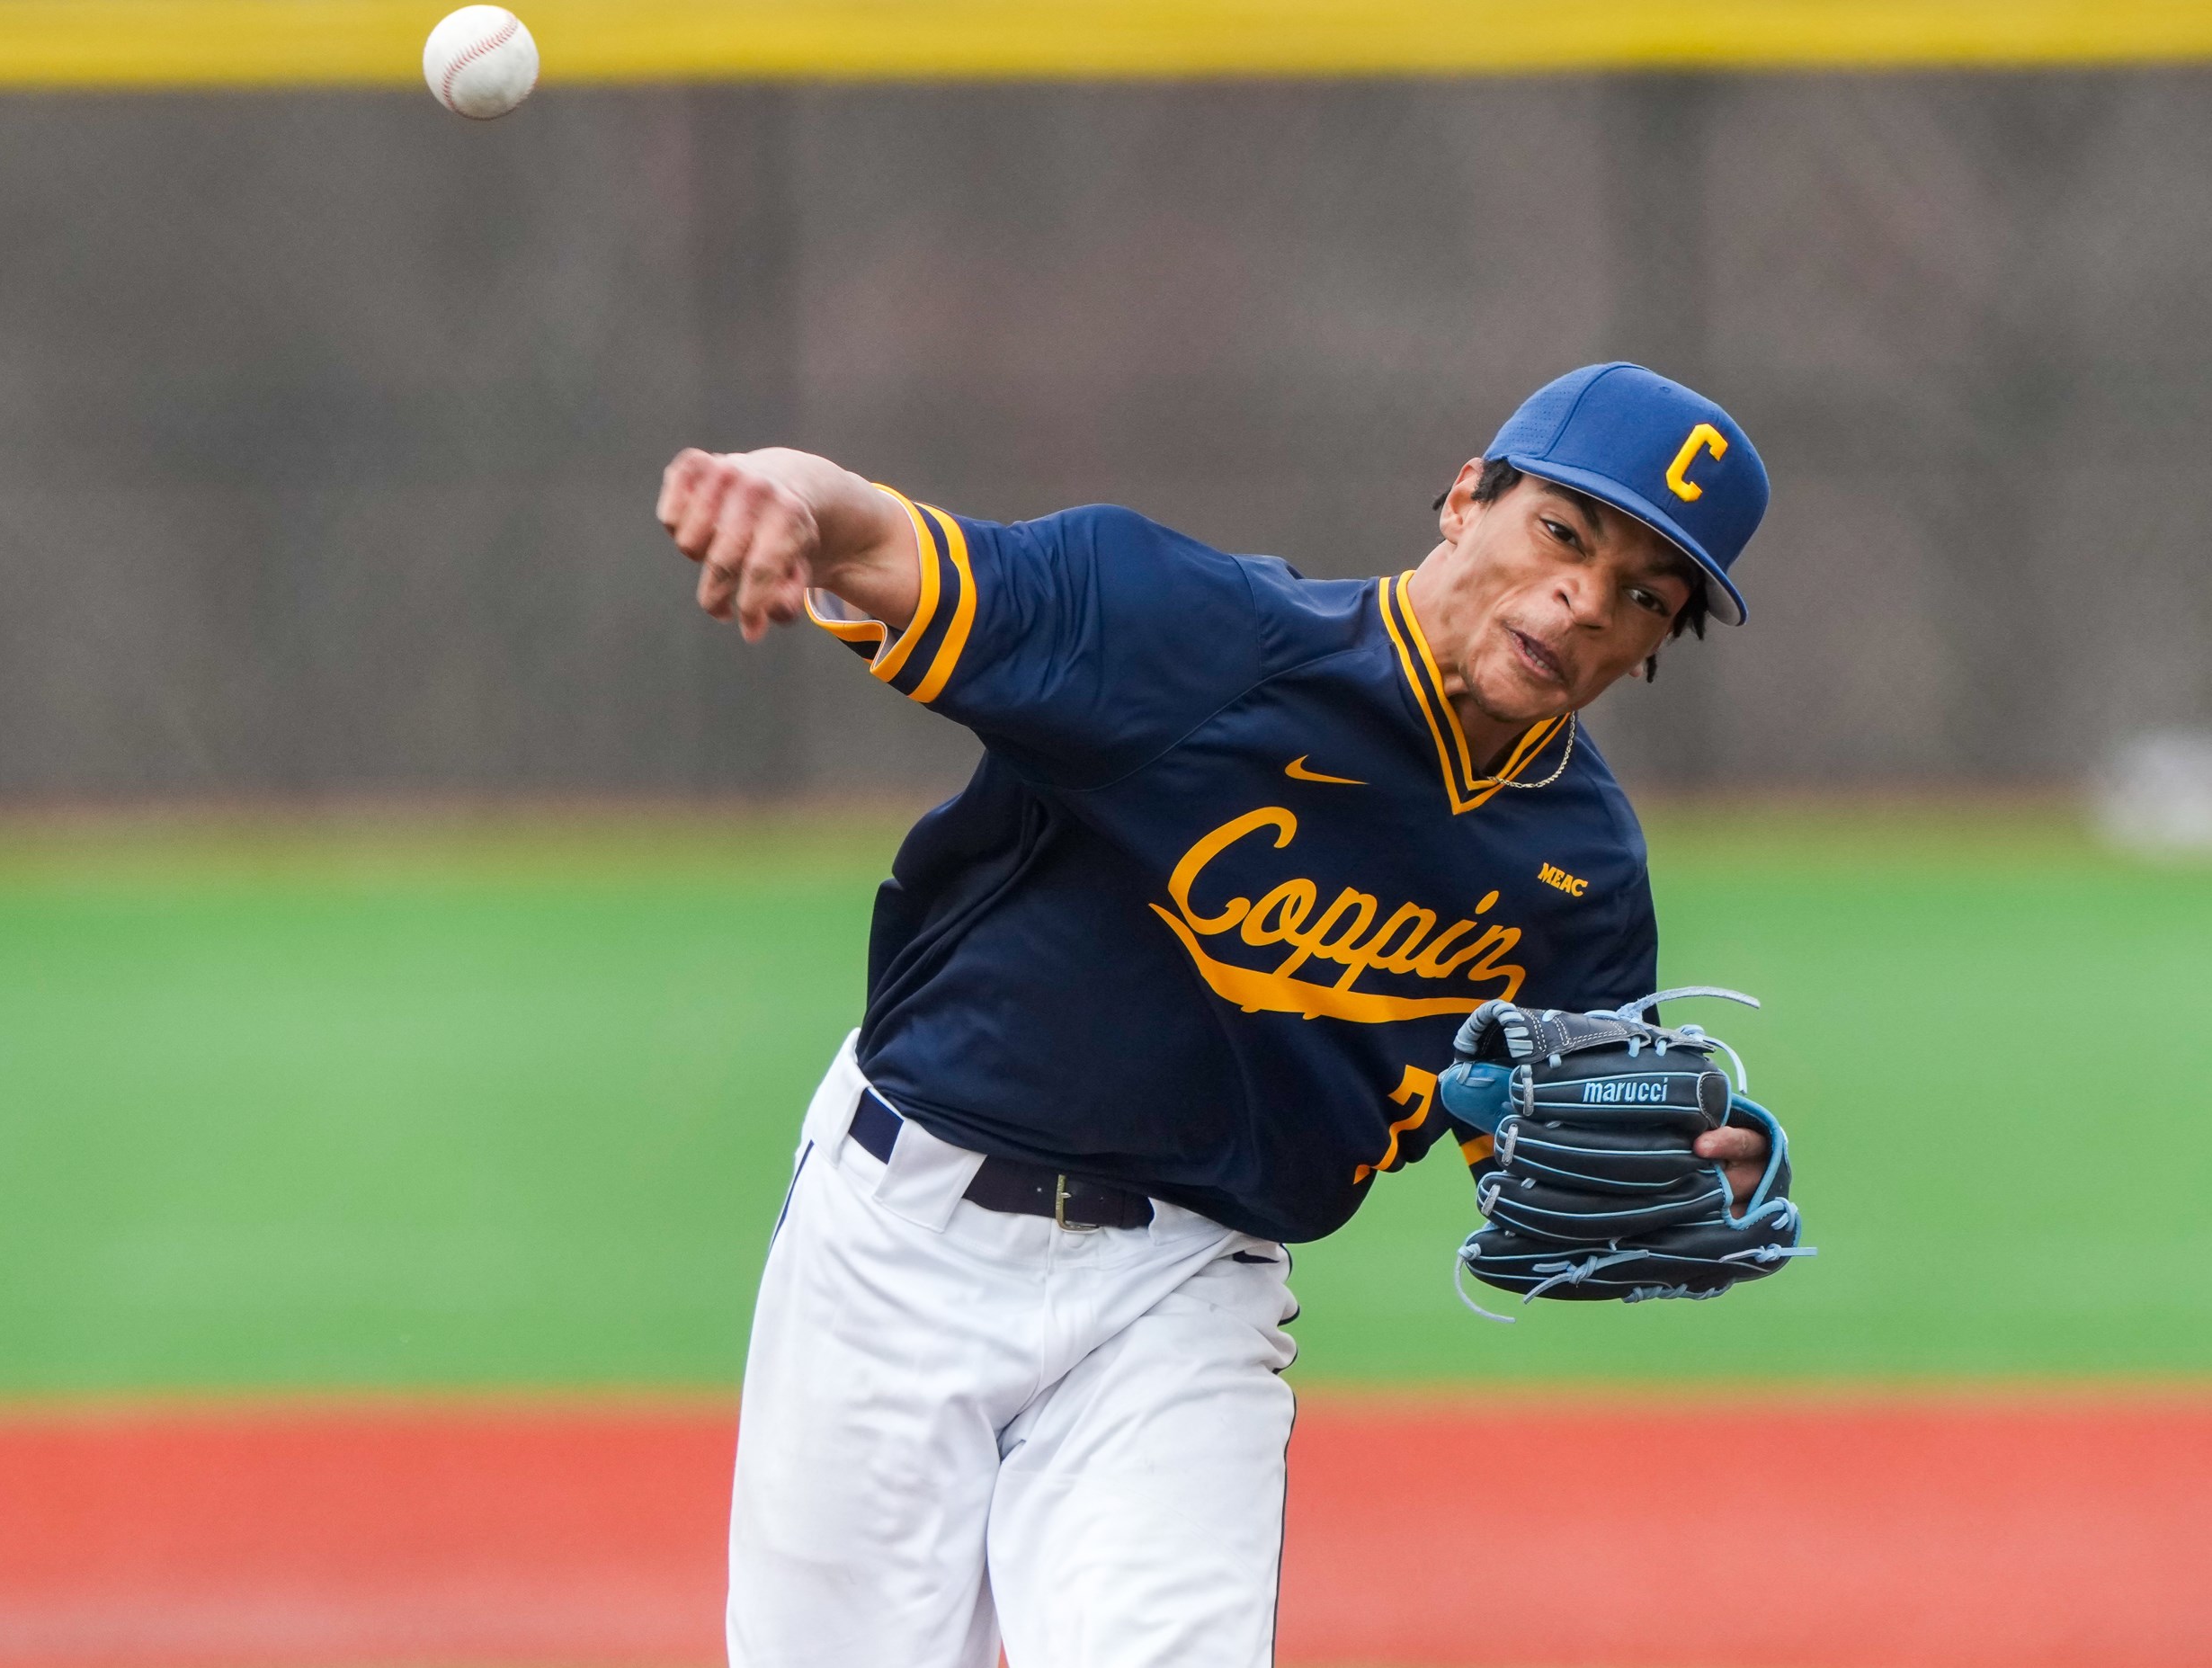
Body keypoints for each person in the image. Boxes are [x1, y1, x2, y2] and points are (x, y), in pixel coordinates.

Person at [656, 363, 1774, 1668]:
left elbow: (1538, 1166)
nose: (1583, 601)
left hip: (1185, 1292)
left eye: (1648, 595)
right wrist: (783, 495)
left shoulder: (1580, 873)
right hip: (902, 1240)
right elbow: (880, 537)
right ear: (1467, 498)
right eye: (1565, 534)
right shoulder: (1185, 633)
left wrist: (1677, 1171)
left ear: (1655, 646)